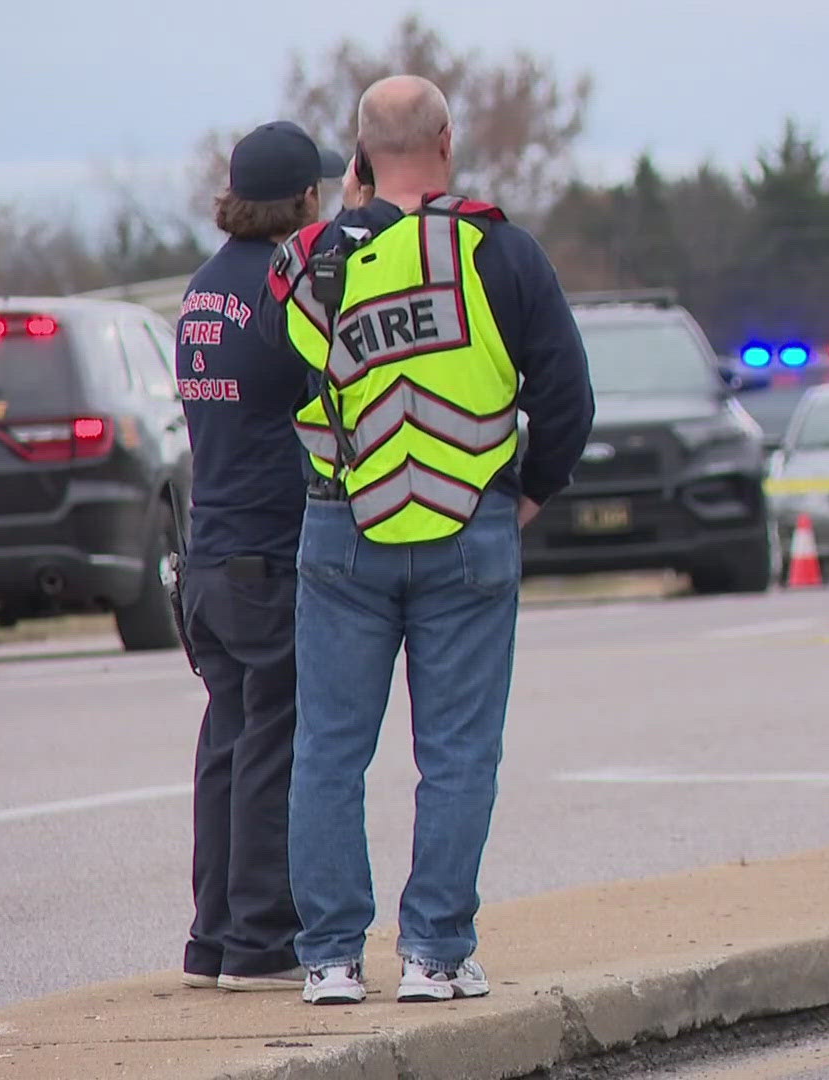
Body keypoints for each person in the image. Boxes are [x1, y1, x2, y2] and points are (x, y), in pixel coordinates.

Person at [259, 74, 594, 1006]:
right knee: (456, 753)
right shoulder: (498, 252)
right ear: (447, 139)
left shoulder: (306, 262)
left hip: (342, 527)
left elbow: (268, 394)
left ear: (356, 155)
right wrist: (528, 493)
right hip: (470, 527)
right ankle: (434, 955)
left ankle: (328, 958)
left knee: (329, 750)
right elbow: (568, 395)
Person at [176, 120, 346, 993]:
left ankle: (210, 939)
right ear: (307, 200)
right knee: (272, 745)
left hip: (206, 555)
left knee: (228, 742)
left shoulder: (204, 290)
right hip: (267, 556)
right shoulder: (287, 285)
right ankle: (258, 941)